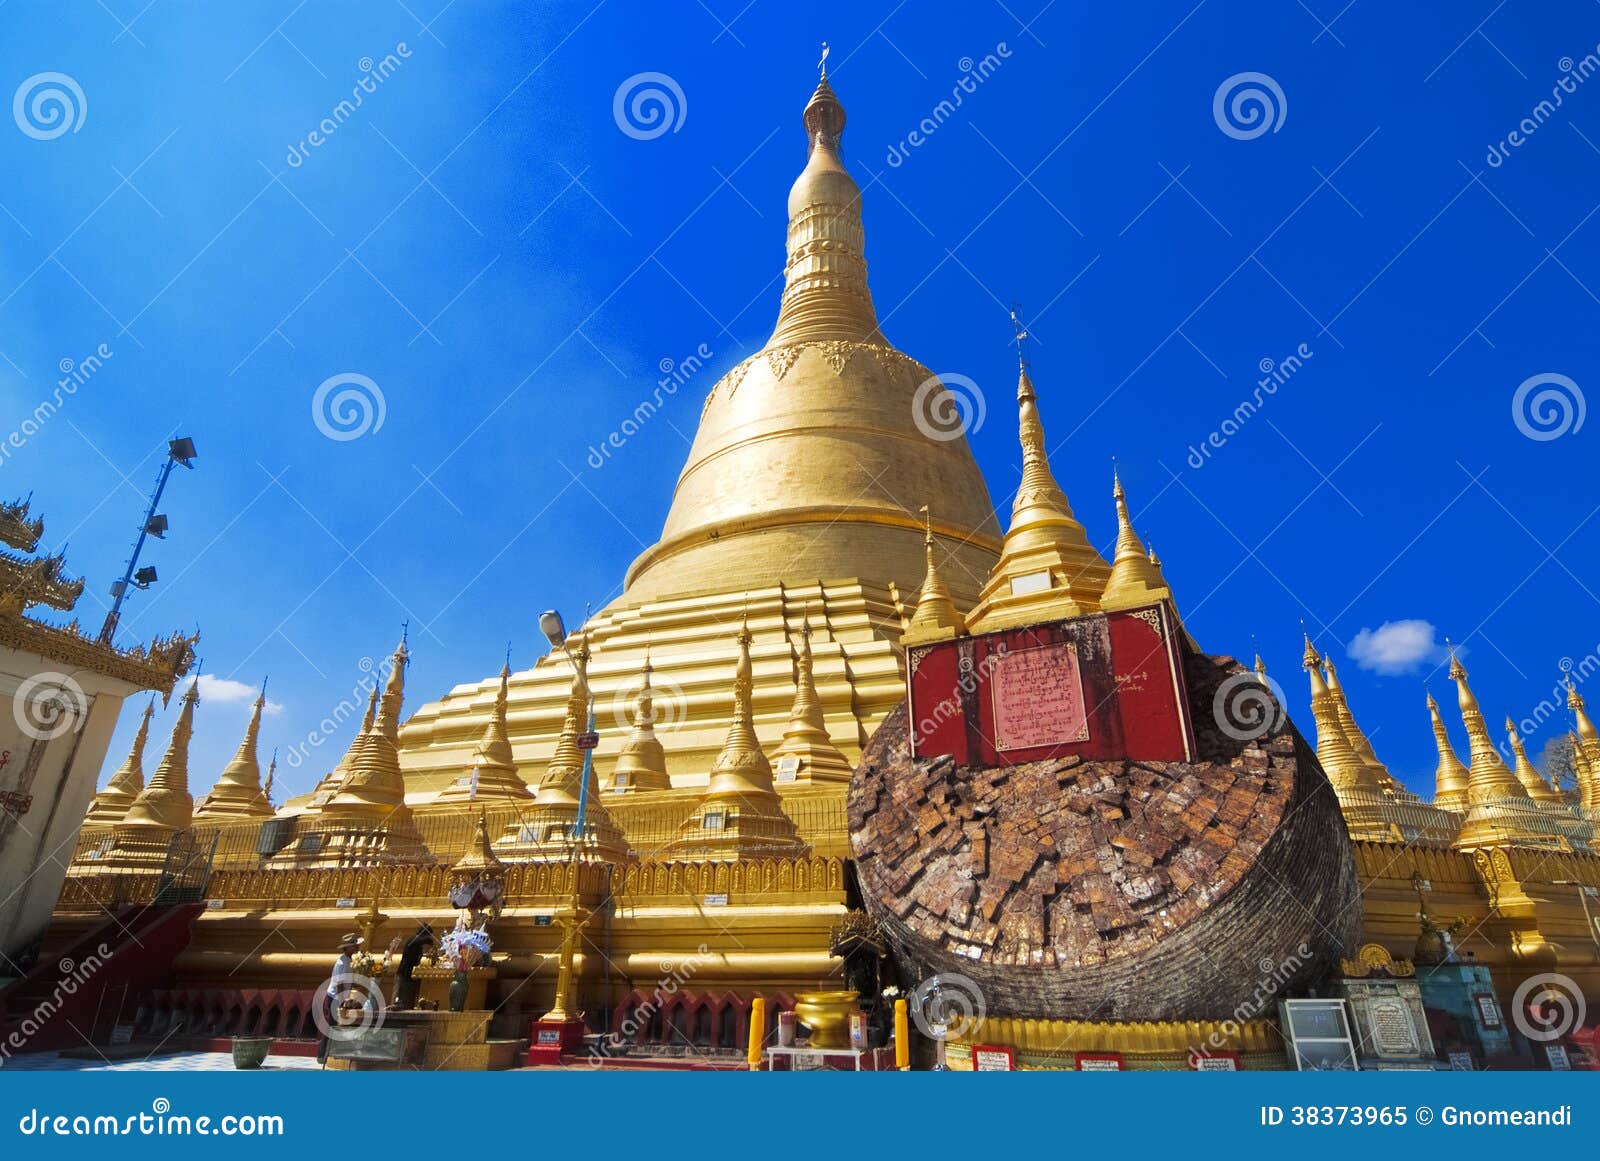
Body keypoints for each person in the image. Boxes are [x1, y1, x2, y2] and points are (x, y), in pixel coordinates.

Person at [317, 933, 363, 1065]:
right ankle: (322, 1054)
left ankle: (332, 1052)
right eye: (354, 946)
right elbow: (339, 984)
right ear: (347, 948)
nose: (357, 948)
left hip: (342, 995)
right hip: (335, 997)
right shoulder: (341, 963)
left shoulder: (349, 961)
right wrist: (342, 1001)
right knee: (332, 1025)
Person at [393, 923, 435, 1010]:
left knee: (409, 996)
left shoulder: (417, 943)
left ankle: (408, 1006)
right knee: (401, 995)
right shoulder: (413, 940)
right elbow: (427, 940)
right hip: (405, 971)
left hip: (410, 973)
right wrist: (430, 940)